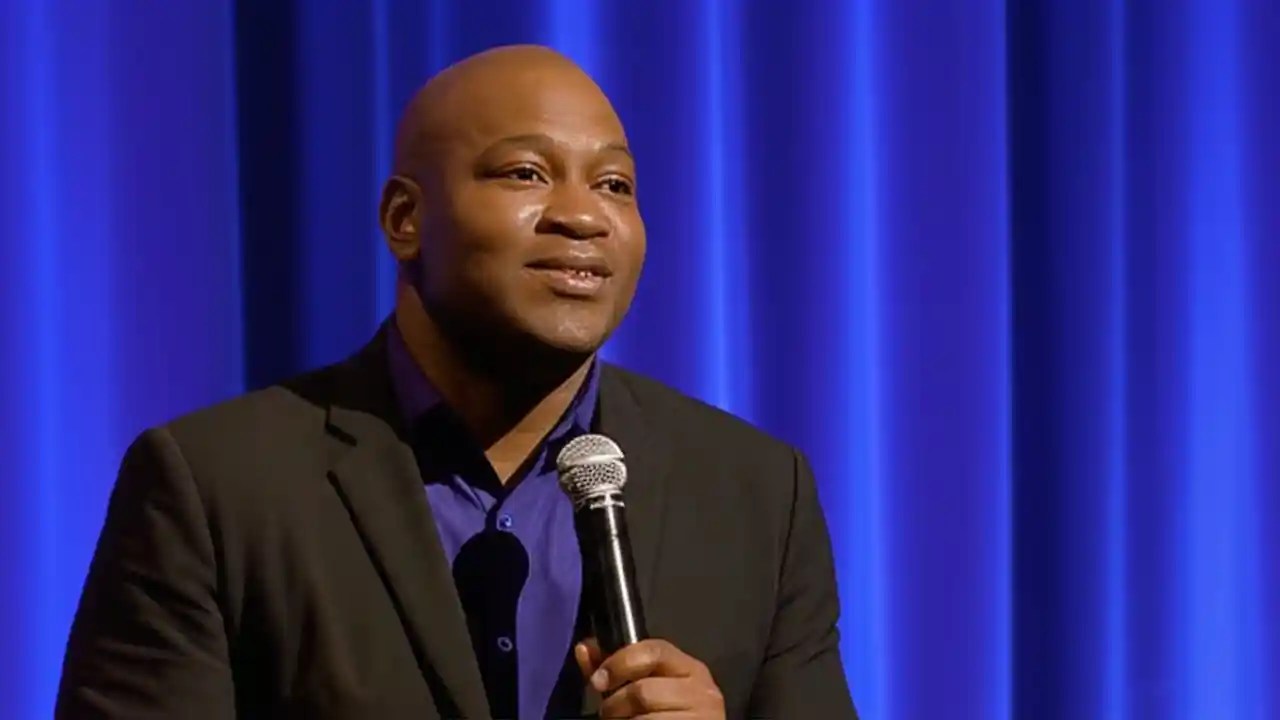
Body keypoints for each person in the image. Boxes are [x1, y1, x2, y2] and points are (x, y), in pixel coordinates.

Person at [56, 45, 856, 719]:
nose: (583, 216)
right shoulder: (217, 486)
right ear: (405, 220)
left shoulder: (755, 492)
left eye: (614, 184)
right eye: (525, 174)